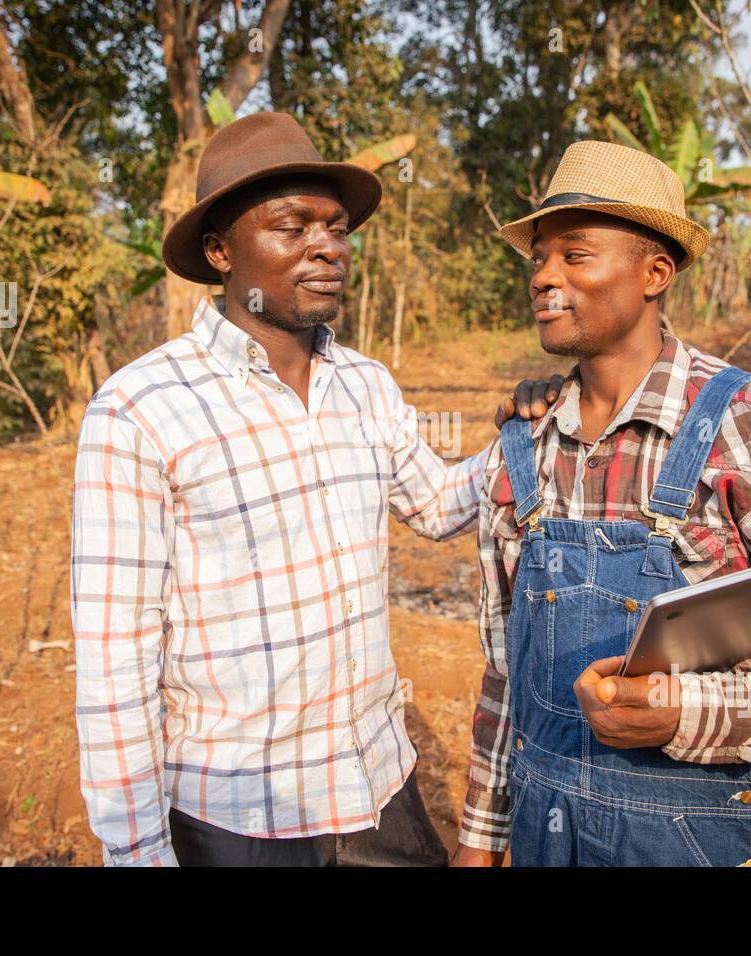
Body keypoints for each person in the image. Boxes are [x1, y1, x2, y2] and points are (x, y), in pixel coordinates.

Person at [70, 112, 558, 867]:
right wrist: (136, 852)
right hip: (237, 819)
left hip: (375, 787)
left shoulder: (364, 383)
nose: (326, 245)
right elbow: (115, 664)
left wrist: (521, 436)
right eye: (291, 227)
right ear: (219, 250)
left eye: (334, 227)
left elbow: (437, 502)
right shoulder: (141, 409)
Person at [454, 140, 751, 867]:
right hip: (540, 828)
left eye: (574, 256)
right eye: (538, 258)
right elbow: (503, 671)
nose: (543, 277)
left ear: (655, 272)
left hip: (685, 841)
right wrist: (481, 836)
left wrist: (697, 713)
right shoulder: (525, 446)